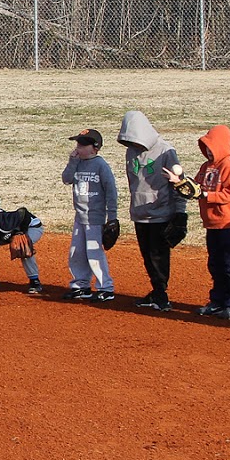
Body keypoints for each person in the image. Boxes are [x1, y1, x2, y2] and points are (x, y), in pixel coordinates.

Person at [168, 124, 230, 320]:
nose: (208, 151)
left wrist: (205, 194)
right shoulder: (206, 167)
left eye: (211, 147)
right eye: (206, 147)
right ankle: (218, 301)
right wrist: (179, 181)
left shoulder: (228, 166)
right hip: (211, 224)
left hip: (228, 224)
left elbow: (229, 195)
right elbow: (195, 187)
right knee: (215, 264)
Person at [117, 111, 188, 311]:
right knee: (147, 256)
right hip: (140, 213)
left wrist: (180, 214)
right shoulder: (131, 151)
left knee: (158, 256)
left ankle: (161, 294)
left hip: (161, 214)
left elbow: (179, 184)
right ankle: (156, 292)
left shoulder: (166, 151)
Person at [62, 128, 118, 300]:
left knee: (94, 253)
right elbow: (66, 179)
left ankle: (105, 287)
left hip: (96, 217)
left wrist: (112, 216)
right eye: (78, 143)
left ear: (95, 148)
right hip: (80, 217)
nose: (78, 147)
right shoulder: (77, 162)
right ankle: (81, 285)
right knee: (76, 253)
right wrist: (72, 162)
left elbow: (111, 191)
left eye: (83, 145)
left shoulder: (101, 165)